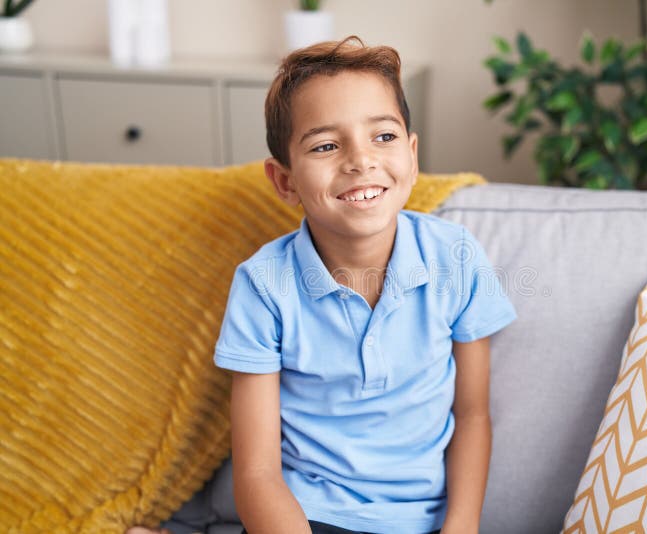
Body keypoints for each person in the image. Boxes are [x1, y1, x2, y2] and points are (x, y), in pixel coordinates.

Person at [128, 35, 516, 534]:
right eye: (327, 145)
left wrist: (461, 527)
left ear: (412, 157)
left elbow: (473, 416)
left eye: (383, 137)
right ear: (285, 181)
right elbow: (257, 470)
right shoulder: (263, 285)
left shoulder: (456, 256)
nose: (360, 160)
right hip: (303, 516)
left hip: (417, 521)